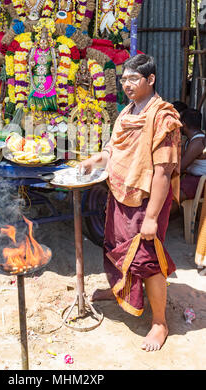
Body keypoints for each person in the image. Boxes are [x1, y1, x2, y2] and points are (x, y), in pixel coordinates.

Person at [80, 53, 182, 352]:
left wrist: (151, 217)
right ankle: (119, 289)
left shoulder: (164, 118)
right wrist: (94, 161)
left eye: (133, 79)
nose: (127, 84)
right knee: (116, 249)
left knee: (148, 260)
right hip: (120, 195)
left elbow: (163, 172)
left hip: (147, 201)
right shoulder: (126, 113)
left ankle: (160, 323)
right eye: (123, 79)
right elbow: (113, 152)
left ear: (150, 80)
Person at [179, 108, 206, 202]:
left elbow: (181, 167)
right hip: (193, 178)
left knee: (174, 196)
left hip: (202, 181)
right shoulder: (190, 140)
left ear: (183, 124)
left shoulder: (197, 142)